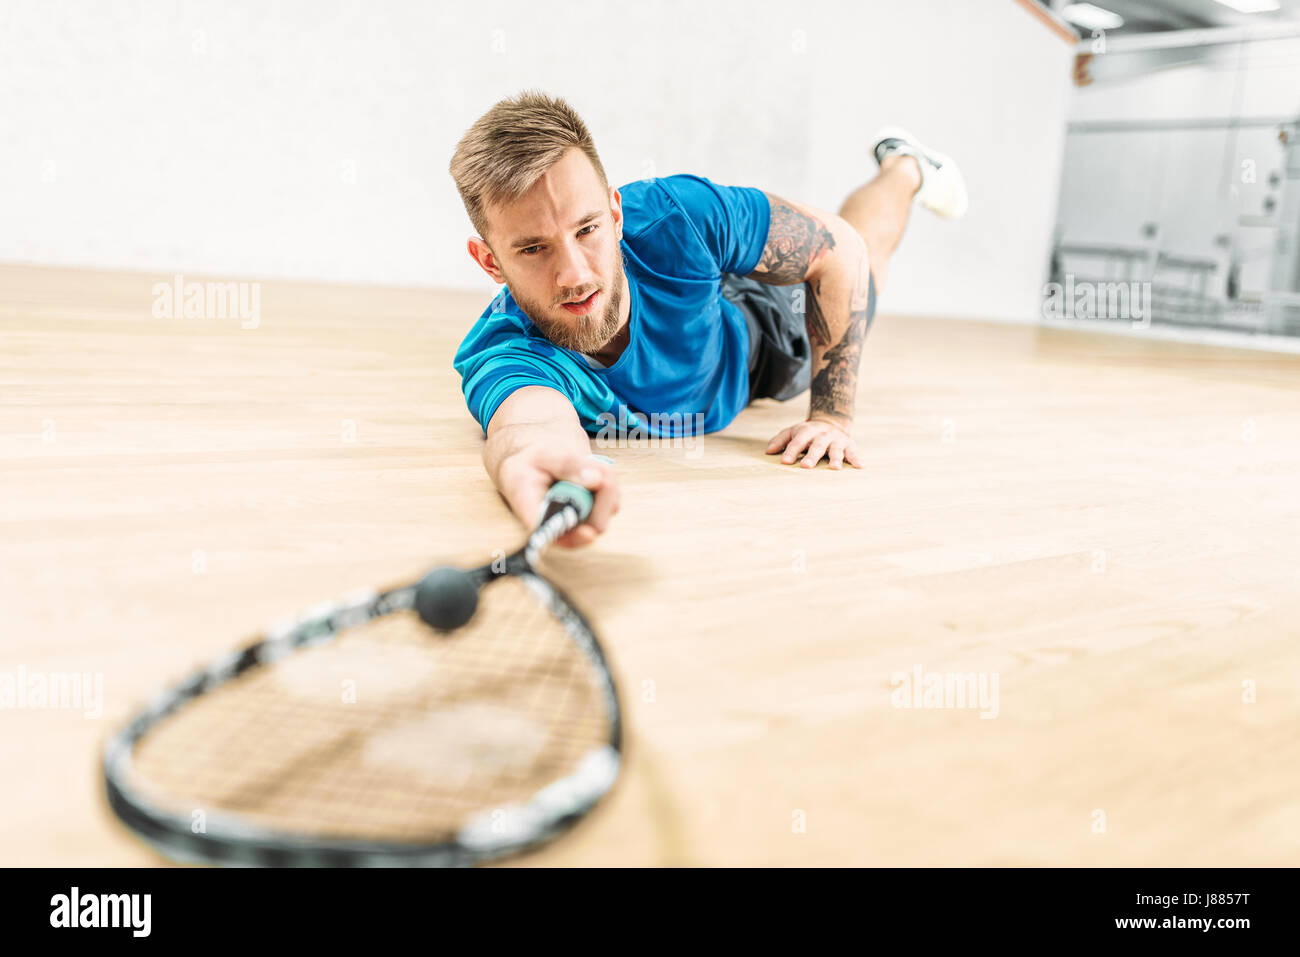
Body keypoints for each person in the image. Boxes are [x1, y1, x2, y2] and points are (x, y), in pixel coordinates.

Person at [450, 90, 966, 547]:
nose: (574, 274)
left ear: (615, 212)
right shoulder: (507, 355)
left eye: (587, 230)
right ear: (490, 260)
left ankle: (906, 167)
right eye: (534, 248)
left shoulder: (680, 215)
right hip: (707, 314)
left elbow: (841, 249)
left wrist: (830, 418)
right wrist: (533, 467)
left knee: (865, 258)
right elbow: (529, 428)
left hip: (755, 328)